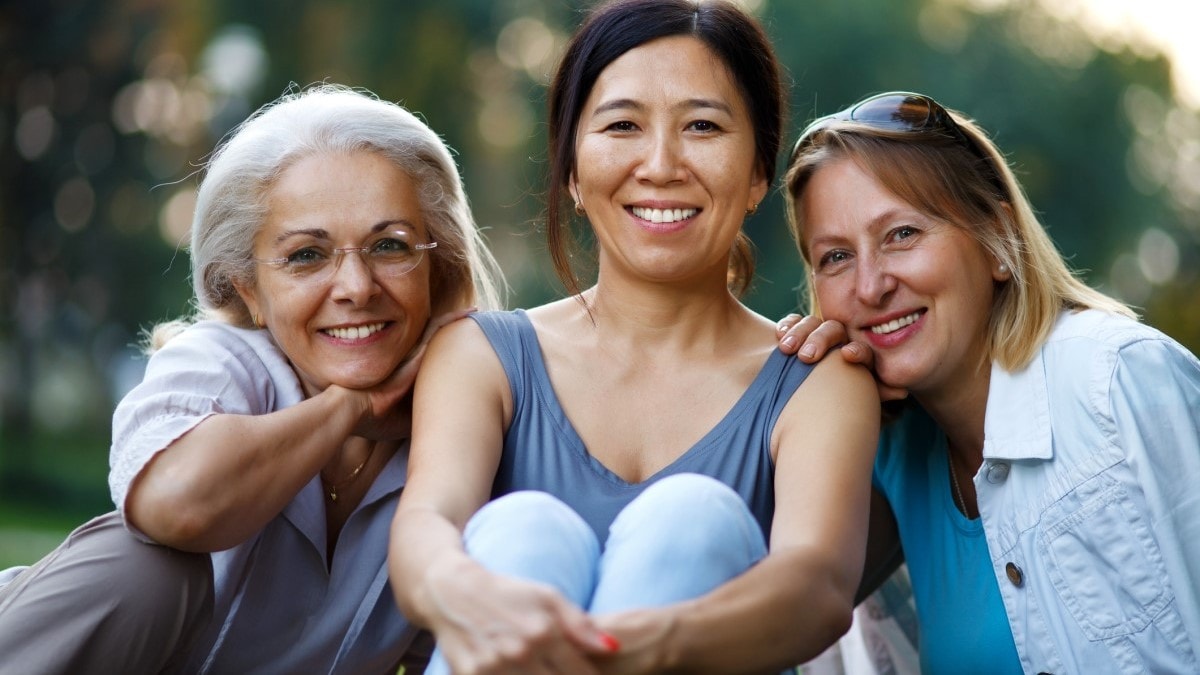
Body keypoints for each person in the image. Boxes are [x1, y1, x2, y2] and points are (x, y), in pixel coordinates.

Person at [387, 1, 881, 673]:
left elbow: (818, 585)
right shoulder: (482, 355)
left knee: (693, 518)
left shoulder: (817, 379)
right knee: (522, 531)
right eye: (623, 125)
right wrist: (465, 590)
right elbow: (427, 525)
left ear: (760, 173)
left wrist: (655, 645)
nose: (660, 164)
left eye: (701, 126)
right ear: (571, 171)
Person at [0, 83, 504, 674]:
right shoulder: (217, 363)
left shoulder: (466, 426)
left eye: (390, 247)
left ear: (435, 272)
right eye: (307, 256)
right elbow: (177, 504)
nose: (357, 288)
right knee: (148, 565)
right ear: (248, 291)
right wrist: (351, 409)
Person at [779, 90, 1200, 673]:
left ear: (997, 242)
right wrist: (797, 397)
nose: (871, 287)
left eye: (902, 234)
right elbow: (753, 597)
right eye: (835, 258)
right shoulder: (882, 456)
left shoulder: (1117, 381)